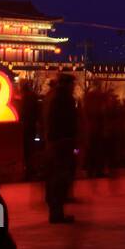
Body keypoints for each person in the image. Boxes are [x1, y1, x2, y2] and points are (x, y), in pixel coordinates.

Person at [43, 73, 79, 223]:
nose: (74, 87)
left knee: (55, 177)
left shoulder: (52, 97)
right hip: (62, 142)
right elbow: (68, 121)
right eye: (73, 84)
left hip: (54, 141)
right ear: (68, 84)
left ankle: (55, 211)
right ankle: (57, 212)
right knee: (61, 177)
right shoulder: (64, 98)